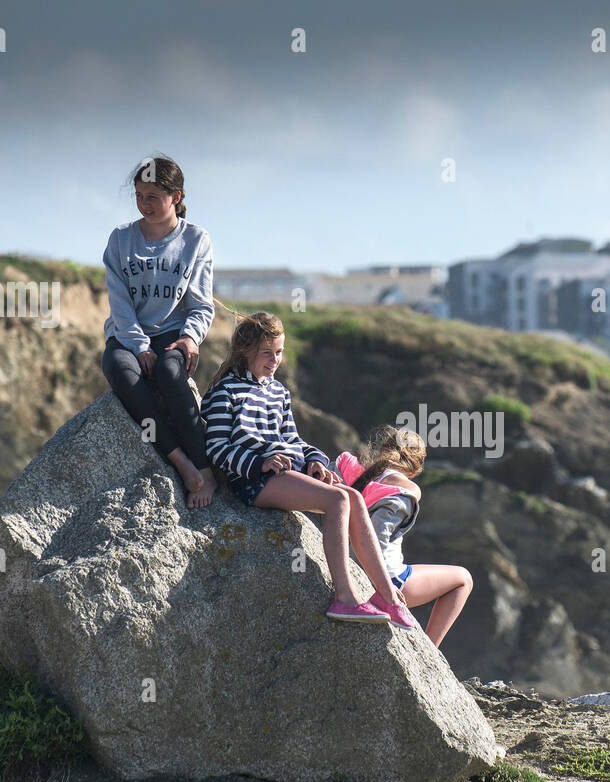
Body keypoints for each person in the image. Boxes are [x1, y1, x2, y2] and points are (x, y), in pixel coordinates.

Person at [200, 311, 419, 628]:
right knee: (337, 501)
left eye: (279, 352)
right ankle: (344, 598)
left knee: (354, 499)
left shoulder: (277, 391)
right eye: (266, 353)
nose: (275, 360)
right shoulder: (226, 391)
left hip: (288, 473)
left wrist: (315, 459)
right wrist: (259, 463)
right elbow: (217, 448)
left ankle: (387, 595)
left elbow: (293, 439)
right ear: (244, 351)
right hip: (253, 479)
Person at [101, 155, 216, 508]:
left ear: (175, 197)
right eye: (139, 195)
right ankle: (181, 461)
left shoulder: (197, 240)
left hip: (173, 332)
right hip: (126, 332)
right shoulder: (121, 239)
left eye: (152, 196)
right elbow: (119, 302)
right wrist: (138, 346)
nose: (144, 203)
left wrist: (191, 338)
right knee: (123, 372)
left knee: (169, 374)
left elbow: (201, 303)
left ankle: (207, 469)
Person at [333, 426, 473, 647]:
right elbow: (377, 535)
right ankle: (429, 651)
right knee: (463, 579)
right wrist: (383, 586)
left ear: (382, 451)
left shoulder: (349, 469)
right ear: (415, 468)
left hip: (339, 563)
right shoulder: (406, 489)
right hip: (386, 577)